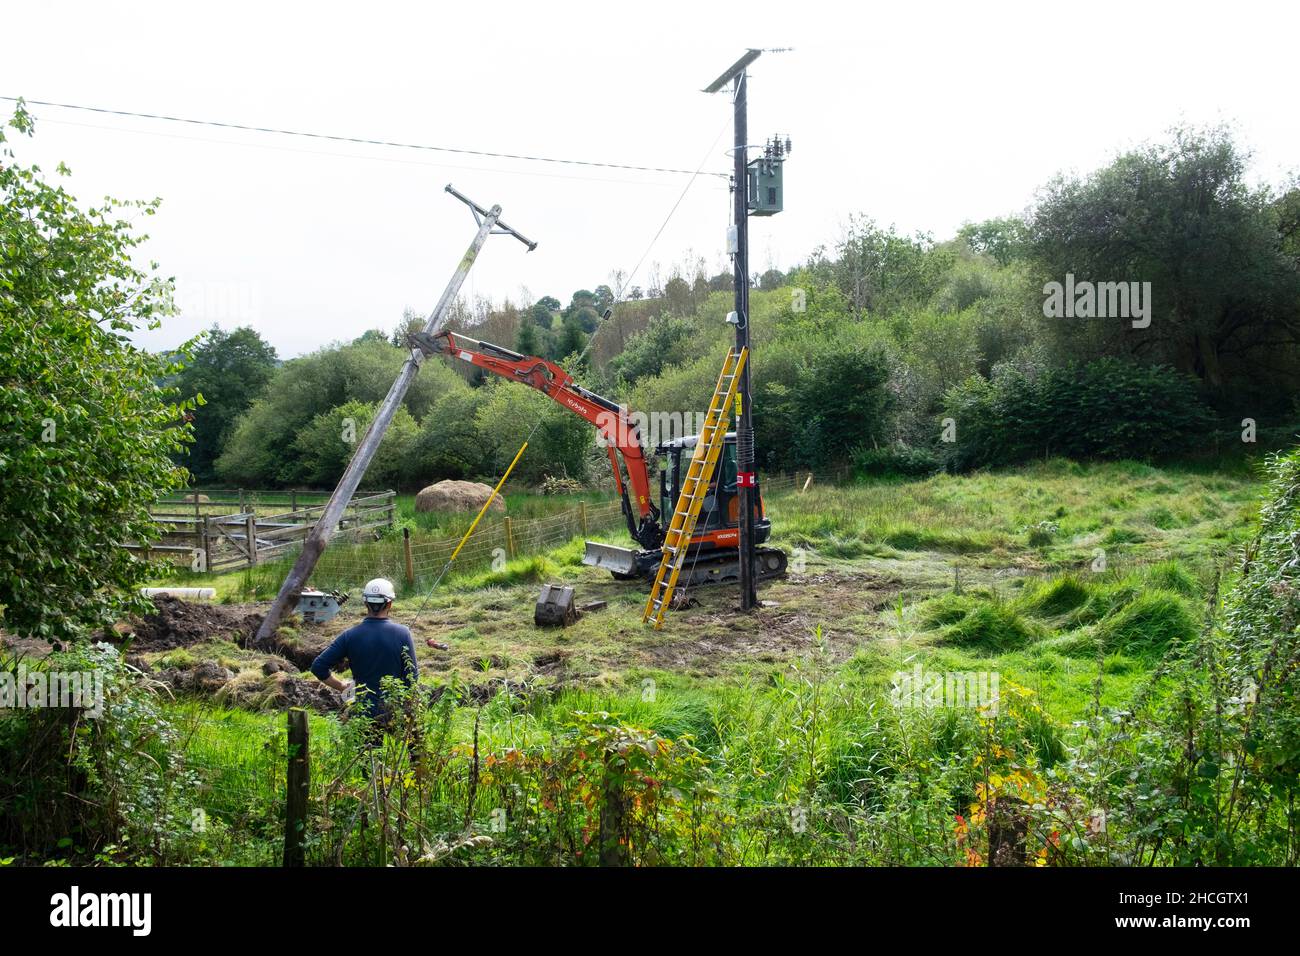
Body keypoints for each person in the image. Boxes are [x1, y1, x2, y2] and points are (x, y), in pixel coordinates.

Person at [310, 578, 419, 727]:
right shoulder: (403, 633)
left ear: (365, 603)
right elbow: (412, 676)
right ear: (390, 604)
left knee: (369, 750)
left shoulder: (349, 636)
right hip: (395, 711)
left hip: (364, 712)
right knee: (409, 750)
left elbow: (318, 667)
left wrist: (342, 686)